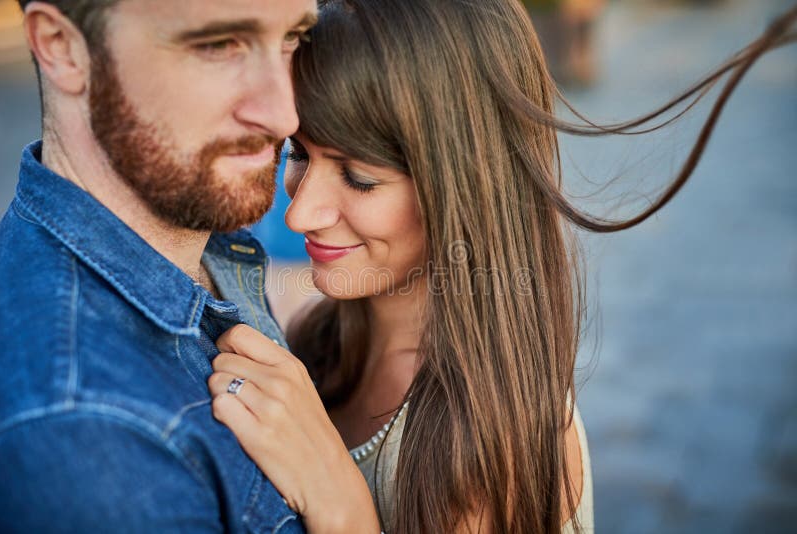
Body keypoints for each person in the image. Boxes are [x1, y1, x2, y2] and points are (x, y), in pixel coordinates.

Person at [205, 0, 797, 533]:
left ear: (464, 185)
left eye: (360, 177)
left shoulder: (500, 445)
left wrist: (338, 502)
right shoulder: (311, 341)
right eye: (300, 153)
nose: (300, 212)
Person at [0, 0, 325, 532]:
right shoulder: (89, 435)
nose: (283, 114)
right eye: (219, 45)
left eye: (292, 38)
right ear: (62, 48)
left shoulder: (200, 236)